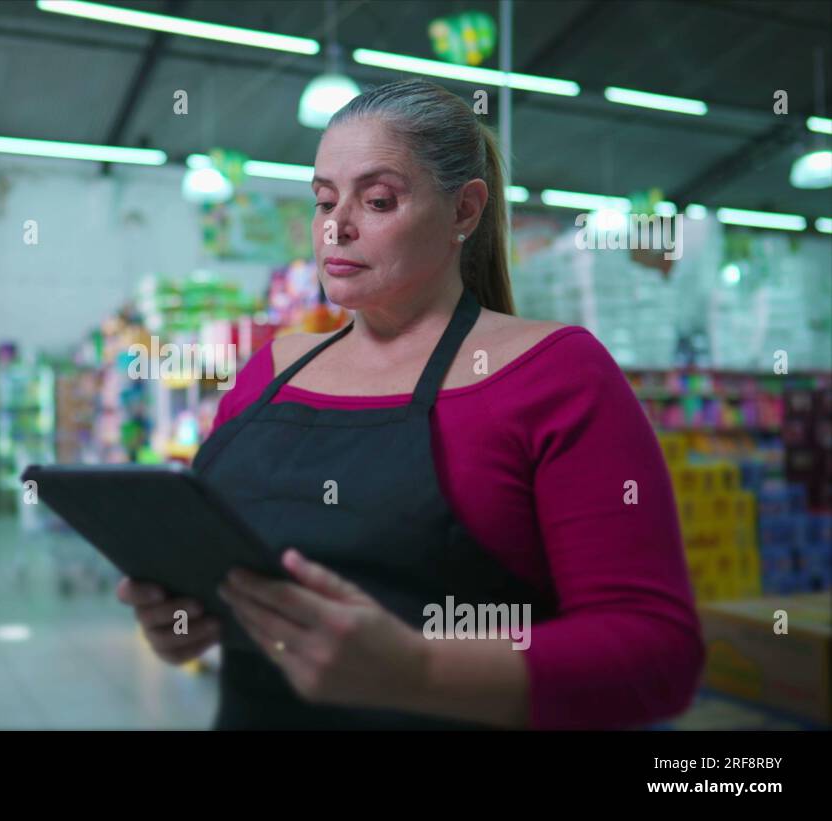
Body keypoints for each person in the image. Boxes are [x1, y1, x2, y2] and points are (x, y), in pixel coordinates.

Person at [117, 79, 705, 730]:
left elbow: (658, 651)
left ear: (463, 211)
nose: (336, 226)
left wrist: (419, 670)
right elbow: (218, 561)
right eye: (322, 201)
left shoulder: (556, 375)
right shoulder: (268, 373)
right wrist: (188, 613)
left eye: (376, 200)